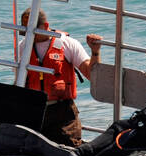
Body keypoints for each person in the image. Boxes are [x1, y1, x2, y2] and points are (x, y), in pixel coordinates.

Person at [20, 9, 103, 146]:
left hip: (63, 115)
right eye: (26, 31)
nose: (30, 35)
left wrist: (95, 52)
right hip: (35, 112)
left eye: (33, 30)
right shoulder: (23, 47)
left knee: (69, 155)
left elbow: (92, 75)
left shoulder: (68, 44)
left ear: (46, 26)